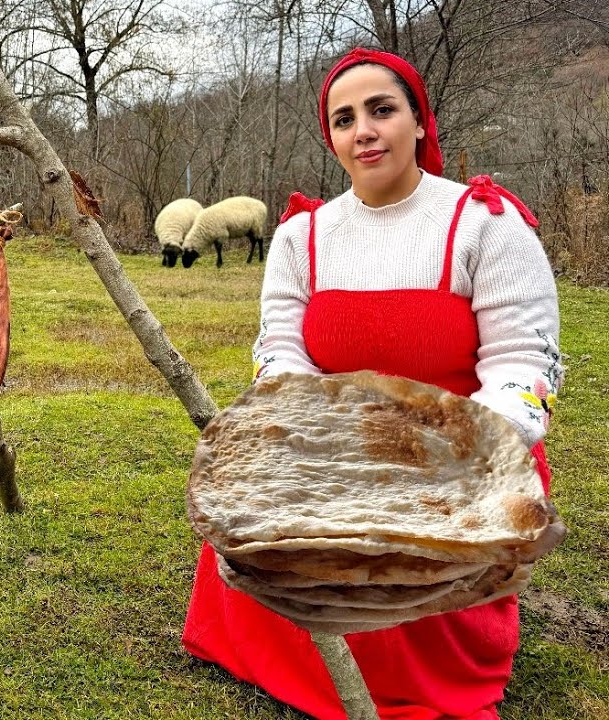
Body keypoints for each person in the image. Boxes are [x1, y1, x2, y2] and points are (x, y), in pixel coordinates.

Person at [182, 48, 563, 720]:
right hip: (336, 445)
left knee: (403, 578)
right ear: (330, 137)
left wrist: (464, 455)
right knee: (272, 540)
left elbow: (524, 364)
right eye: (343, 118)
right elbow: (281, 349)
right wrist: (300, 433)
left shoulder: (485, 223)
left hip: (462, 452)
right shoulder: (302, 235)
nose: (364, 130)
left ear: (419, 122)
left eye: (382, 110)